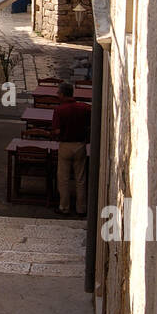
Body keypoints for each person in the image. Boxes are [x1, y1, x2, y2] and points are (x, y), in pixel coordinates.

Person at [52, 81, 91, 215]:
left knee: (63, 178)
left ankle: (64, 207)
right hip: (80, 145)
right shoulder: (85, 108)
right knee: (80, 178)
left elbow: (56, 131)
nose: (57, 95)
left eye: (58, 93)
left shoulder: (59, 110)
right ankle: (81, 208)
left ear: (62, 94)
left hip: (65, 145)